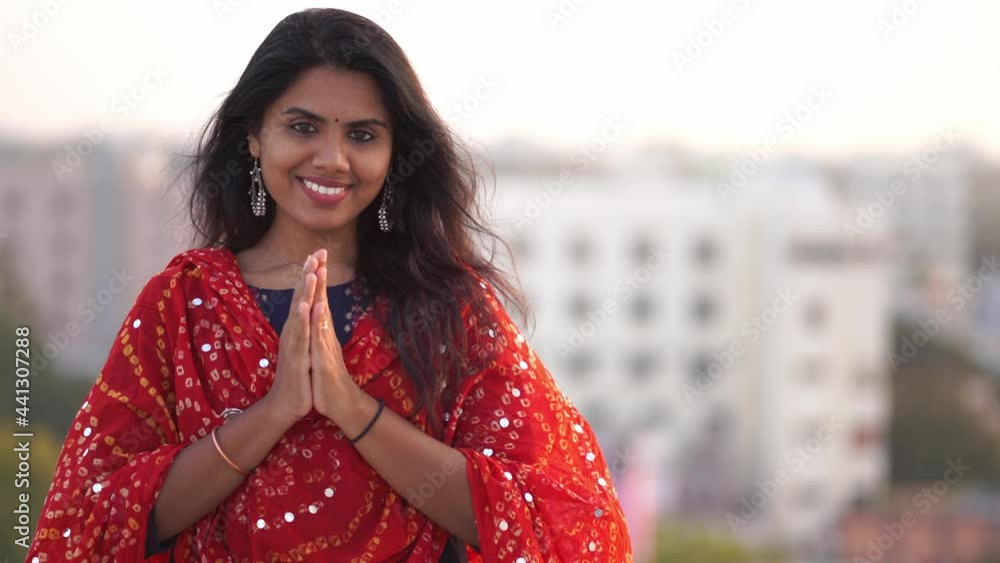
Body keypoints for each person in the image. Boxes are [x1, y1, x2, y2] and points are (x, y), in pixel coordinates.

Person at [26, 8, 633, 562]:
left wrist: (350, 406)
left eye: (362, 136)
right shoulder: (183, 304)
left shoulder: (450, 309)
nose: (332, 158)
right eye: (303, 127)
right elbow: (94, 520)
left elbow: (562, 522)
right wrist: (274, 412)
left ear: (396, 154)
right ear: (255, 135)